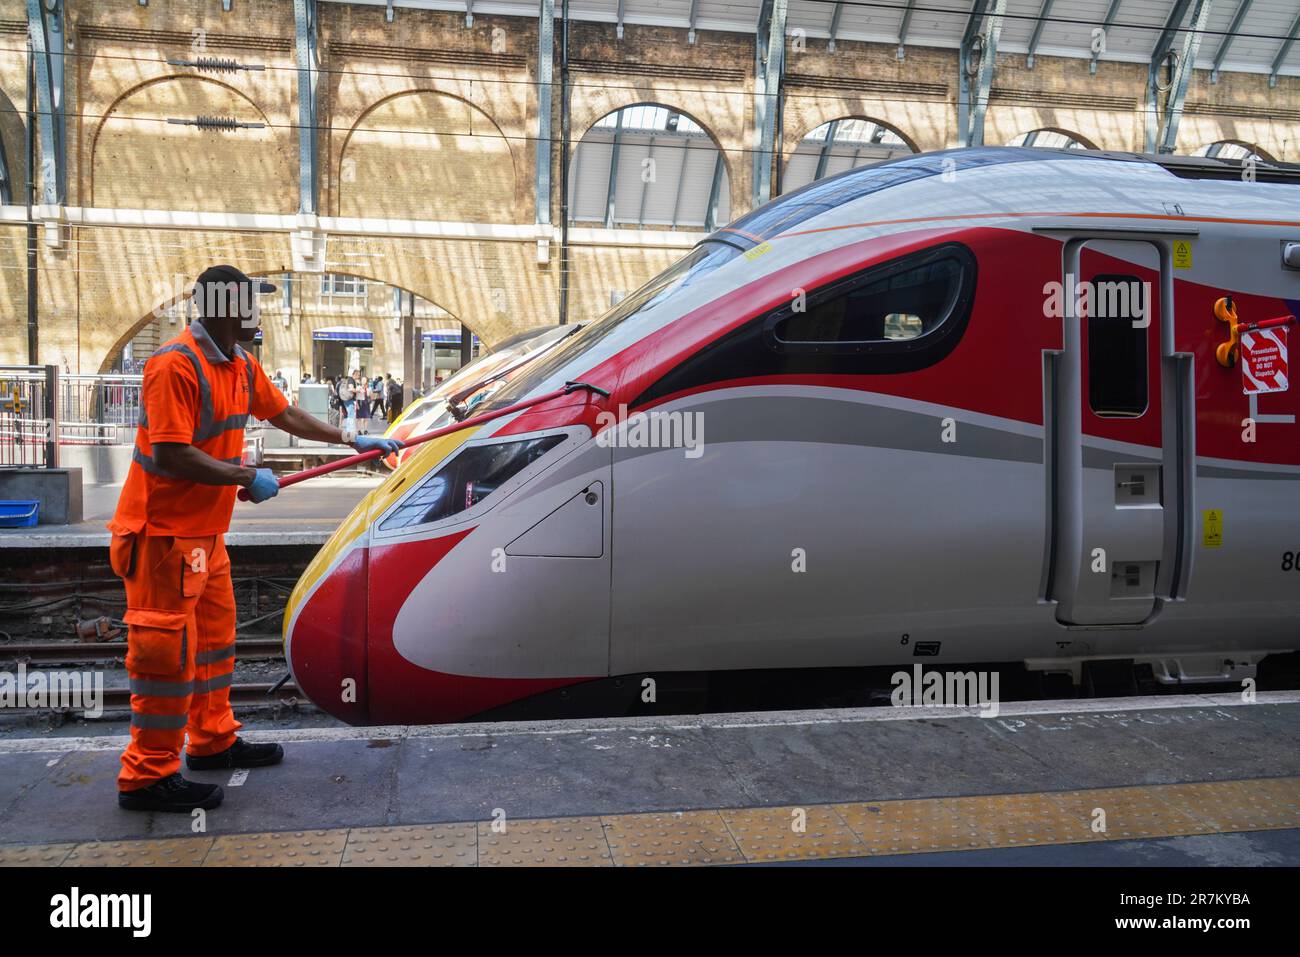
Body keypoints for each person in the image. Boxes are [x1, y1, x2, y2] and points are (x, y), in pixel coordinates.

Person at [107, 264, 399, 813]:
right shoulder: (175, 366)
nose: (255, 312)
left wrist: (350, 437)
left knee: (214, 647)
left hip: (204, 540)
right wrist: (245, 475)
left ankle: (213, 742)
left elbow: (285, 413)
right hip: (162, 539)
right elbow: (170, 453)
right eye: (248, 302)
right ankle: (147, 775)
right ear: (219, 307)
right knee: (166, 661)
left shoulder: (240, 365)